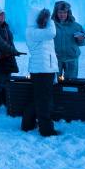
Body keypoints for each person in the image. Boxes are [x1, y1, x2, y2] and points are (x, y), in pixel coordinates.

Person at [22, 8, 61, 137]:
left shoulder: (37, 31)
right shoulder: (33, 32)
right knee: (44, 101)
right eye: (42, 18)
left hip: (44, 69)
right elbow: (52, 33)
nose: (45, 21)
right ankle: (46, 130)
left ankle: (27, 124)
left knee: (39, 99)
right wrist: (50, 19)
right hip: (42, 70)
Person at [52, 1, 85, 80]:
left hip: (72, 59)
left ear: (68, 13)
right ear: (56, 13)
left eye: (64, 12)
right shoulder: (51, 26)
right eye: (60, 12)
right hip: (55, 59)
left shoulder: (76, 26)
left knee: (71, 84)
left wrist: (81, 40)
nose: (62, 15)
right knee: (54, 83)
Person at [0, 11, 19, 109]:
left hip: (8, 58)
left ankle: (6, 101)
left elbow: (10, 42)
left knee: (7, 80)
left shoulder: (6, 26)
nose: (1, 17)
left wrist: (13, 51)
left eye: (3, 15)